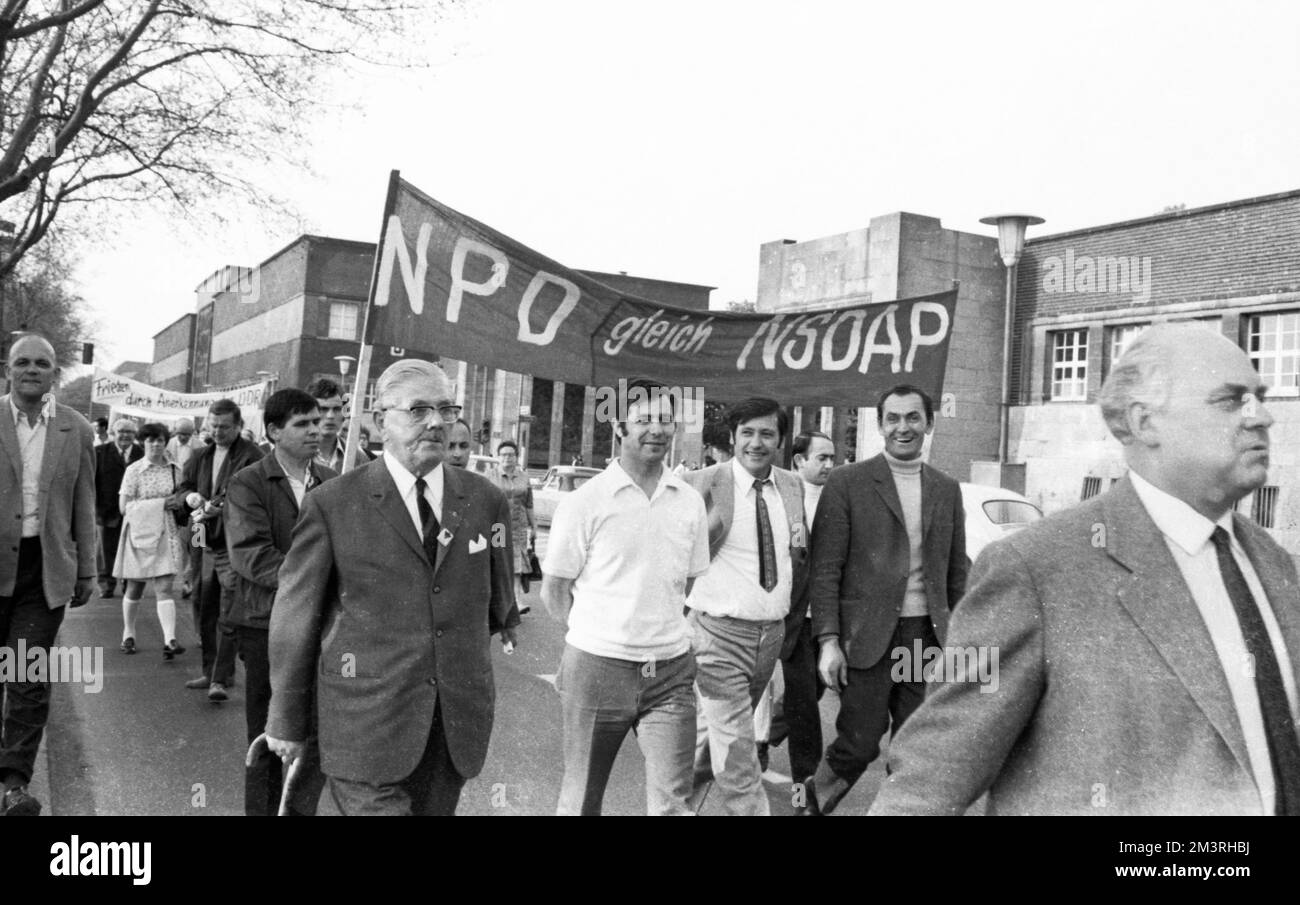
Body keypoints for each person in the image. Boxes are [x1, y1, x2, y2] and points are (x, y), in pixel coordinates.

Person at [872, 325, 1300, 816]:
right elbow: (932, 775)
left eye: (1259, 398)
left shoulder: (1274, 564)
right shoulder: (1036, 570)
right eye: (1231, 401)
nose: (1262, 417)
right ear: (1145, 423)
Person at [266, 359, 518, 815]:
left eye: (446, 409)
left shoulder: (486, 500)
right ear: (381, 421)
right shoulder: (333, 505)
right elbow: (294, 619)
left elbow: (496, 607)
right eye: (418, 410)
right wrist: (285, 717)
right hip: (364, 727)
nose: (437, 422)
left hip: (452, 728)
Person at [542, 378, 710, 815]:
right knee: (582, 799)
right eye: (643, 420)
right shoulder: (585, 502)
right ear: (618, 427)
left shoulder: (689, 501)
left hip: (670, 674)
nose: (656, 430)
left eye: (665, 420)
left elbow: (686, 584)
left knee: (673, 802)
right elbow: (555, 591)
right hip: (597, 670)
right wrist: (599, 638)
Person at [800, 385, 966, 815]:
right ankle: (808, 808)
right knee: (857, 744)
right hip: (867, 639)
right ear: (880, 426)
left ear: (928, 423)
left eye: (913, 417)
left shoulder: (946, 489)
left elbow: (955, 575)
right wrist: (829, 641)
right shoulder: (847, 482)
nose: (903, 427)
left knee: (914, 749)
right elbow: (825, 570)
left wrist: (963, 640)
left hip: (924, 639)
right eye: (893, 418)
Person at [681, 397, 808, 815]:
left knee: (709, 749)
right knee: (738, 753)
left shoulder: (792, 485)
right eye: (747, 433)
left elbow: (796, 553)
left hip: (769, 640)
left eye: (767, 434)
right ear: (733, 438)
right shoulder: (701, 483)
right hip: (716, 638)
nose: (756, 443)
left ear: (781, 441)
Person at [225, 389, 336, 816]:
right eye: (303, 423)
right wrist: (314, 582)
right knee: (270, 736)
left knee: (313, 741)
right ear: (274, 431)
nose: (316, 429)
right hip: (266, 625)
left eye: (318, 420)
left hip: (323, 627)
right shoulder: (248, 482)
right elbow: (251, 554)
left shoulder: (331, 482)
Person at [0, 333, 96, 816]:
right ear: (8, 368)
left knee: (26, 674)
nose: (32, 370)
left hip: (45, 571)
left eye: (42, 364)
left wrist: (87, 570)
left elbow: (85, 503)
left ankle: (15, 784)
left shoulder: (76, 428)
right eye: (23, 363)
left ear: (54, 372)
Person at [171, 399, 264, 702]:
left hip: (231, 543)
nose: (218, 432)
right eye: (213, 426)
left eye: (224, 427)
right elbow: (179, 492)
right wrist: (190, 499)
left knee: (228, 608)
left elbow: (252, 496)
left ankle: (220, 678)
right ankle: (211, 670)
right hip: (200, 536)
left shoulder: (253, 456)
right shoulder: (199, 456)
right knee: (202, 602)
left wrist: (220, 508)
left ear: (238, 426)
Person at [759, 430, 836, 780]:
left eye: (833, 458)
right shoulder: (785, 499)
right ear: (799, 461)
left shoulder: (839, 498)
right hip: (791, 617)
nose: (830, 465)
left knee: (813, 691)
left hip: (827, 619)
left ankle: (763, 735)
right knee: (804, 700)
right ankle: (806, 788)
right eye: (822, 458)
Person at [113, 421, 188, 659]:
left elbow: (183, 499)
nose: (155, 445)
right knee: (135, 586)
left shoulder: (175, 469)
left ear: (166, 442)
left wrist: (181, 503)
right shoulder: (134, 470)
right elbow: (124, 507)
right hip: (140, 533)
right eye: (150, 440)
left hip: (167, 530)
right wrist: (161, 504)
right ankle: (128, 633)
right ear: (142, 442)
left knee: (164, 586)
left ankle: (170, 639)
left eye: (160, 440)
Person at [94, 418, 143, 598]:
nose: (125, 435)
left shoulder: (142, 453)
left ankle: (128, 583)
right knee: (105, 551)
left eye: (129, 432)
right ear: (113, 433)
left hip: (135, 512)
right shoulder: (99, 452)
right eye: (121, 431)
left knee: (133, 549)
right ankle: (106, 584)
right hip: (106, 510)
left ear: (134, 435)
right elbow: (92, 482)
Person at [494, 440, 536, 613]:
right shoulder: (490, 476)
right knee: (499, 561)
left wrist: (534, 527)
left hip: (519, 526)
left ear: (516, 457)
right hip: (498, 527)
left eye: (511, 455)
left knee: (517, 564)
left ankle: (517, 601)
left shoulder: (524, 477)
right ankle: (499, 600)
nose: (507, 458)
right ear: (498, 457)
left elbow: (529, 504)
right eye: (503, 455)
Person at [305, 377, 368, 473]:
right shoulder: (295, 454)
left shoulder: (357, 458)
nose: (330, 416)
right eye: (323, 409)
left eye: (337, 409)